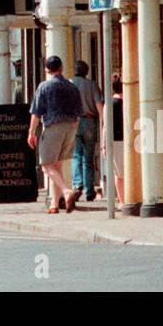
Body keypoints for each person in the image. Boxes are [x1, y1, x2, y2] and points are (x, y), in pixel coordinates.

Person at [27, 56, 83, 214]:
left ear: (46, 69)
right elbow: (79, 112)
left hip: (53, 127)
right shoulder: (72, 87)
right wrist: (74, 129)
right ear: (62, 68)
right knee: (56, 166)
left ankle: (66, 191)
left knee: (46, 165)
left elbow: (36, 112)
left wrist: (31, 132)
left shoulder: (44, 86)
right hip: (71, 127)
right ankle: (54, 205)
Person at [70, 61, 104, 204]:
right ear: (87, 71)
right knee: (88, 157)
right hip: (89, 121)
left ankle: (77, 184)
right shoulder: (92, 85)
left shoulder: (69, 84)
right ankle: (89, 190)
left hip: (73, 121)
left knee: (76, 154)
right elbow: (99, 105)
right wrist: (103, 123)